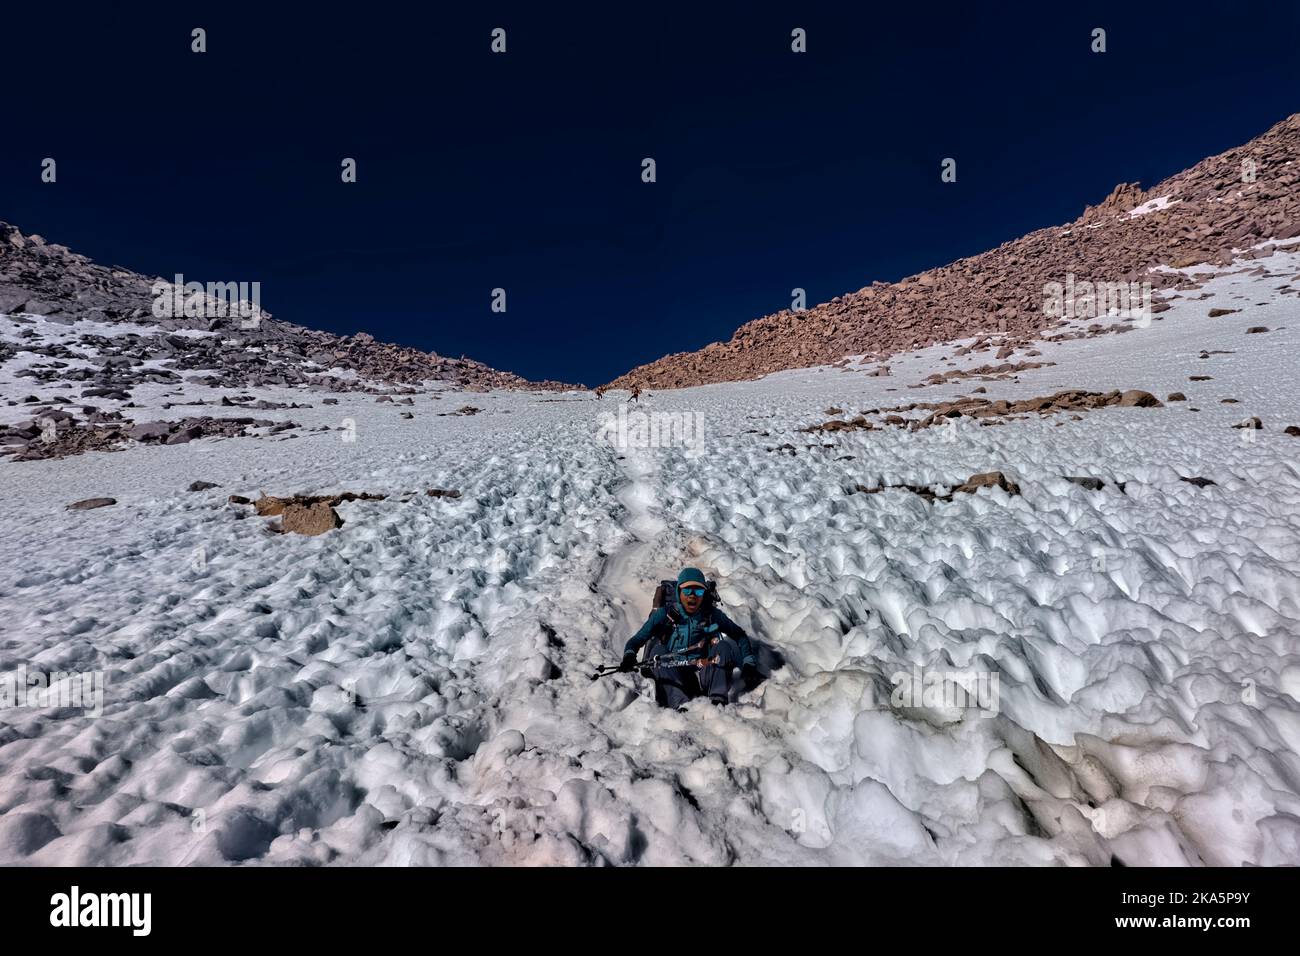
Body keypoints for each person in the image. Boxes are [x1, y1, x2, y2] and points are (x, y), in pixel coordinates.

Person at [619, 567, 761, 708]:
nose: (692, 596)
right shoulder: (664, 614)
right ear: (679, 592)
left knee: (723, 647)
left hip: (702, 669)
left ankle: (718, 701)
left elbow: (739, 635)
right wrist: (629, 655)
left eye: (698, 591)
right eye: (687, 590)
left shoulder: (711, 614)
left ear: (704, 594)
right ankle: (680, 705)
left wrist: (749, 662)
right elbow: (636, 640)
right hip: (673, 671)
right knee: (658, 652)